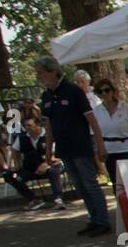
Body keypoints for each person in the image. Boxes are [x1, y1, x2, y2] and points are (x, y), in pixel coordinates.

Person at [35, 55, 112, 236]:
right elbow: (49, 126)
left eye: (41, 73)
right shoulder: (46, 96)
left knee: (90, 183)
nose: (39, 77)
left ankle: (103, 221)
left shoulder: (73, 91)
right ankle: (93, 219)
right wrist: (48, 151)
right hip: (64, 148)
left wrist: (100, 146)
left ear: (52, 71)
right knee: (79, 186)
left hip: (81, 145)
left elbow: (92, 120)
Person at [92, 79, 128, 191]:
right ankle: (122, 206)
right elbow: (96, 133)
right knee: (117, 184)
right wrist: (98, 150)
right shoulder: (97, 111)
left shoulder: (125, 108)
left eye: (107, 90)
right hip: (109, 151)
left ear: (113, 91)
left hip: (127, 148)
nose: (105, 94)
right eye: (101, 92)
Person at [5, 116, 67, 211]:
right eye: (25, 126)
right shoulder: (22, 138)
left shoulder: (48, 135)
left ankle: (58, 199)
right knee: (9, 175)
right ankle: (34, 200)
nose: (27, 128)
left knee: (53, 171)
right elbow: (14, 149)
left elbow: (57, 156)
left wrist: (46, 164)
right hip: (31, 168)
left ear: (38, 125)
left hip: (50, 165)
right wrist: (16, 163)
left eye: (30, 125)